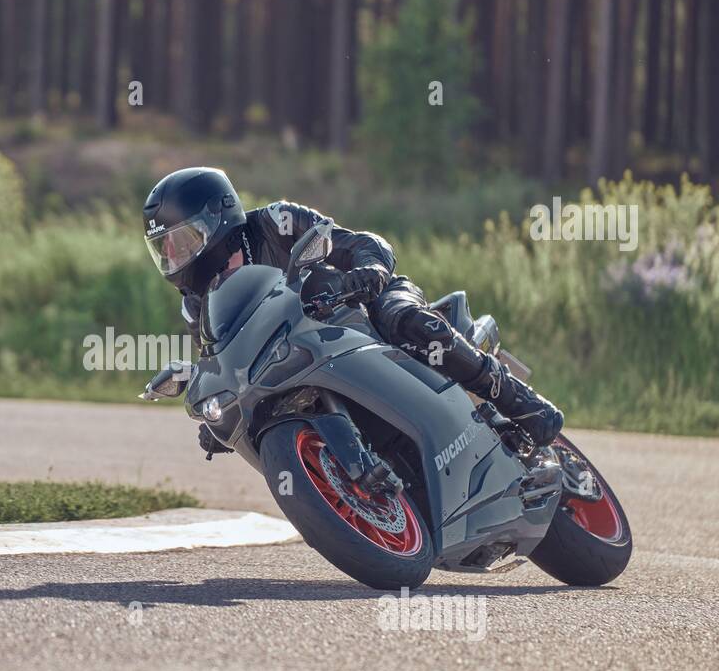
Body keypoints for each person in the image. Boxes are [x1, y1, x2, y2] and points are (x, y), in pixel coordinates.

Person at [141, 167, 563, 456]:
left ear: (219, 217)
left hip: (359, 308)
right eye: (166, 249)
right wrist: (219, 420)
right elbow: (217, 363)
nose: (176, 257)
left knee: (407, 321)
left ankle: (518, 399)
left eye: (184, 241)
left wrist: (369, 271)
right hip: (298, 362)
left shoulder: (275, 222)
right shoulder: (197, 306)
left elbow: (360, 241)